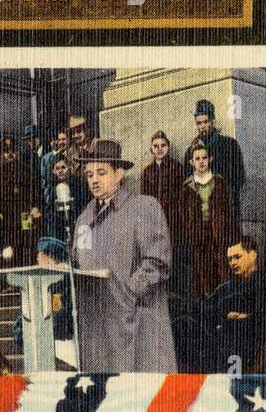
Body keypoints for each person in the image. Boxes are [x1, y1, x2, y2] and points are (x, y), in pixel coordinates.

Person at [72, 140, 176, 373]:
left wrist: (127, 294)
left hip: (137, 326)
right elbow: (79, 262)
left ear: (119, 173)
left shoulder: (143, 207)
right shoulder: (84, 218)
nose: (94, 180)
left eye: (101, 172)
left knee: (142, 397)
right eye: (89, 174)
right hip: (97, 330)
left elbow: (158, 262)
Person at [173, 236, 266, 374]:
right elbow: (204, 308)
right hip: (215, 340)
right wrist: (224, 314)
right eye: (230, 259)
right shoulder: (227, 286)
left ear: (253, 254)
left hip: (241, 345)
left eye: (237, 257)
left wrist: (243, 318)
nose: (232, 262)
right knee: (181, 324)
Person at [177, 142, 240, 298]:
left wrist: (227, 233)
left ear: (210, 159)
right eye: (197, 159)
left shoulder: (219, 182)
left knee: (223, 272)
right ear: (192, 162)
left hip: (219, 235)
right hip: (199, 238)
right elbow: (183, 215)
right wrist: (192, 232)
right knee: (204, 276)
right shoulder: (187, 187)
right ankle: (208, 310)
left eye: (204, 157)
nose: (201, 162)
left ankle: (225, 305)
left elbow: (229, 210)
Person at [10, 237, 76, 360]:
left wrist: (38, 328)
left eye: (41, 259)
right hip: (44, 342)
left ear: (53, 260)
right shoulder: (42, 284)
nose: (38, 263)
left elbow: (62, 317)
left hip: (63, 344)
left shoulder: (63, 283)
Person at [182, 100, 245, 206]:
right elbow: (187, 183)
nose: (202, 126)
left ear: (213, 121)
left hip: (225, 207)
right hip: (201, 209)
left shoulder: (230, 144)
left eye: (206, 122)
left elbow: (239, 177)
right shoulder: (190, 152)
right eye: (199, 123)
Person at [0, 136, 41, 267]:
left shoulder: (26, 170)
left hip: (25, 213)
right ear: (2, 154)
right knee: (10, 244)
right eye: (7, 151)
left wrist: (35, 207)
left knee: (27, 240)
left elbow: (35, 190)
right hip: (8, 215)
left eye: (13, 150)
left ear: (17, 152)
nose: (10, 154)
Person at [141, 130, 184, 253]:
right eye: (156, 146)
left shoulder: (177, 168)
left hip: (174, 220)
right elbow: (144, 199)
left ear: (168, 147)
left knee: (174, 252)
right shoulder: (147, 171)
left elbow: (182, 196)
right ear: (151, 149)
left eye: (163, 145)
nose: (159, 149)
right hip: (154, 220)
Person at [43, 155, 88, 243]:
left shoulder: (79, 184)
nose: (60, 171)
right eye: (57, 168)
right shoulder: (50, 190)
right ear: (53, 171)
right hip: (60, 230)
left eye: (63, 167)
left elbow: (85, 205)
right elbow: (49, 211)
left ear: (69, 168)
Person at [41, 128, 69, 202]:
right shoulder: (46, 158)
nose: (58, 142)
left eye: (63, 139)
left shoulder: (70, 155)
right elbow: (44, 179)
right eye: (58, 140)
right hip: (53, 194)